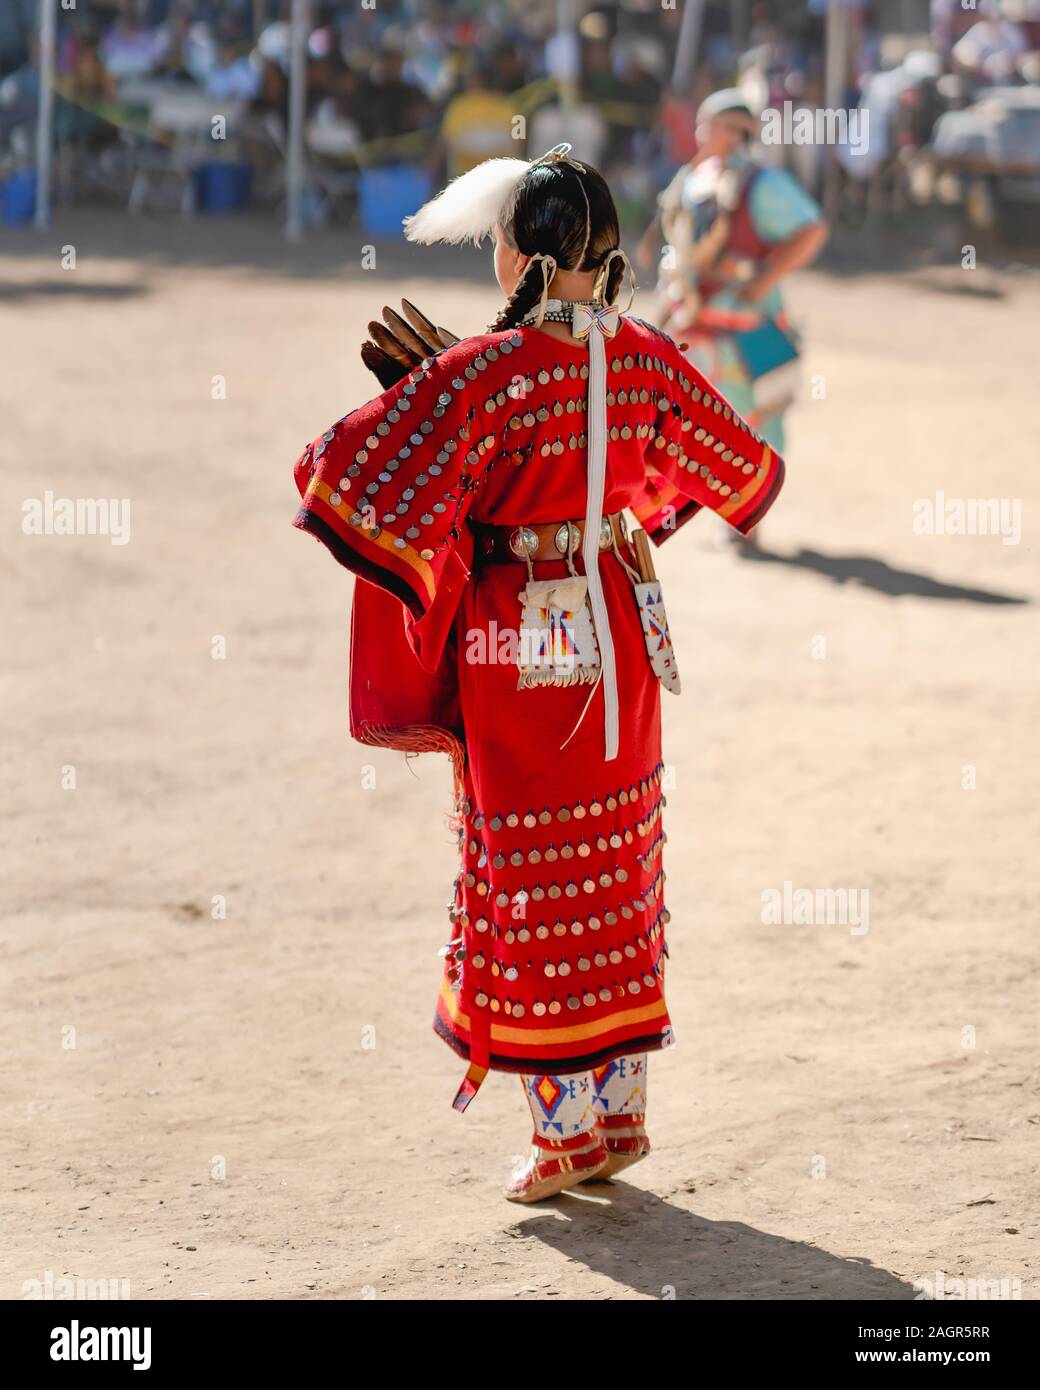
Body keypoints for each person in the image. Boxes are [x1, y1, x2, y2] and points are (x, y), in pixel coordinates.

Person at [292, 143, 785, 1202]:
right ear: (605, 253)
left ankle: (563, 1138)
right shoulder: (643, 353)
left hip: (520, 642)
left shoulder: (484, 373)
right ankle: (617, 1117)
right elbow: (742, 471)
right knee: (614, 863)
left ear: (514, 251)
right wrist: (604, 498)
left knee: (522, 877)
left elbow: (340, 470)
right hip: (617, 623)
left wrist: (427, 393)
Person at [638, 88, 828, 472]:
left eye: (708, 126)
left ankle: (747, 527)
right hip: (691, 322)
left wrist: (764, 279)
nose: (700, 134)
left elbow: (812, 230)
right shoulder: (690, 178)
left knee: (750, 428)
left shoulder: (763, 184)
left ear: (734, 131)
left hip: (744, 329)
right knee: (682, 430)